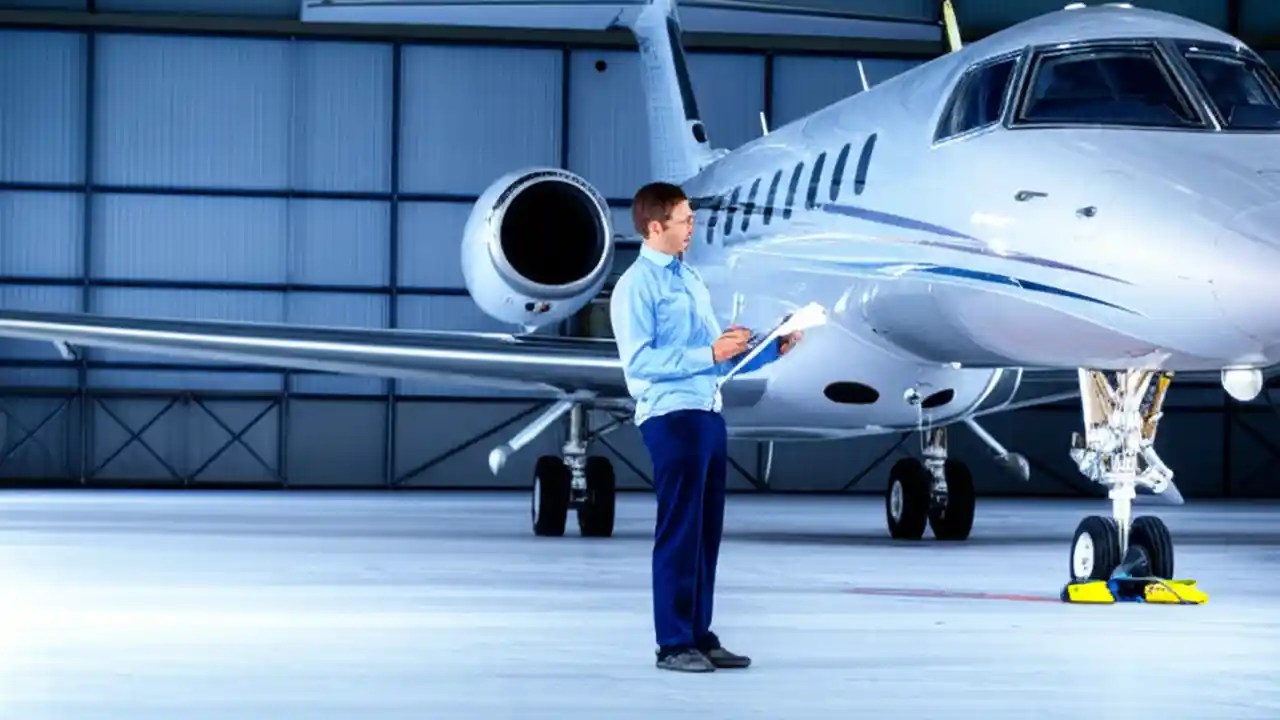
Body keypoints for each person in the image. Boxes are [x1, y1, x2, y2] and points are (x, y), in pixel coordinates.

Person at [609, 181, 801, 672]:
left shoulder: (690, 279)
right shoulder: (637, 286)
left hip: (707, 413)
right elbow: (640, 362)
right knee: (679, 530)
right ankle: (672, 643)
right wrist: (709, 352)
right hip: (670, 417)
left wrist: (770, 347)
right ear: (656, 227)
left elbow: (714, 361)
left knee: (705, 532)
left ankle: (699, 633)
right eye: (685, 220)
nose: (693, 227)